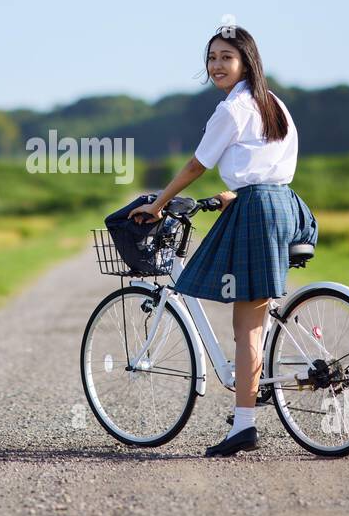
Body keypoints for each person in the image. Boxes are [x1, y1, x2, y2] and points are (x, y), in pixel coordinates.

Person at [129, 25, 317, 457]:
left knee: (245, 326)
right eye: (211, 57)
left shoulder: (232, 109)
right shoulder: (275, 104)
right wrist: (237, 191)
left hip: (258, 210)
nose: (216, 65)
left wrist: (158, 204)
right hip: (286, 203)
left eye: (225, 57)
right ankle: (252, 398)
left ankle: (244, 427)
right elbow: (268, 165)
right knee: (255, 314)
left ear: (246, 61)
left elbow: (197, 165)